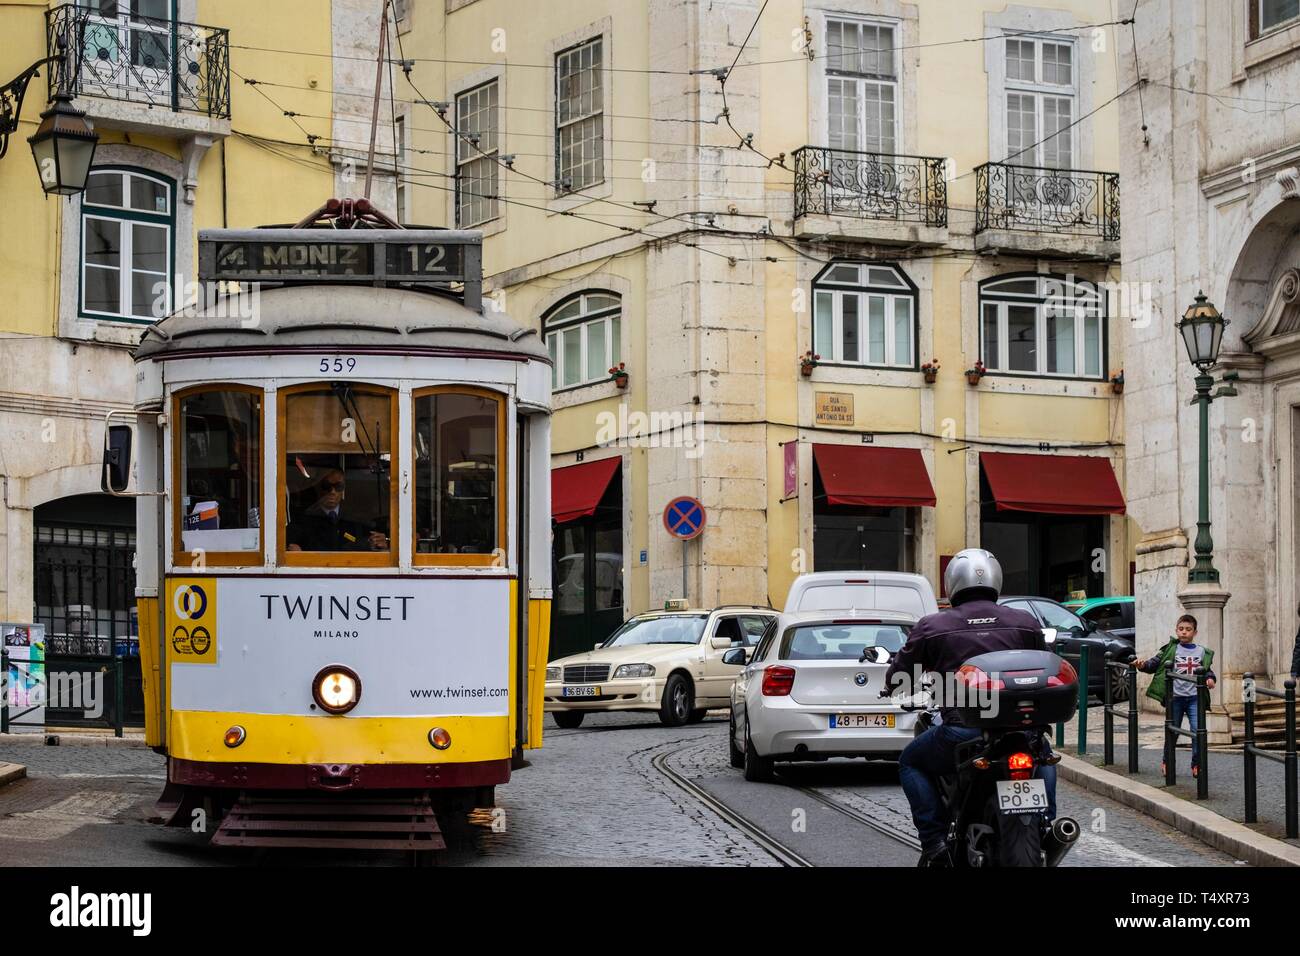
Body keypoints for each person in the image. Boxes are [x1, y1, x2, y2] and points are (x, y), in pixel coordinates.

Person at [884, 548, 1055, 867]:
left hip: (964, 731)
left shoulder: (932, 626)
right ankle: (1049, 827)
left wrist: (891, 685)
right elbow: (1045, 664)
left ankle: (934, 843)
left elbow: (900, 674)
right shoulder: (1025, 621)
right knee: (1041, 753)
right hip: (1021, 729)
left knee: (910, 762)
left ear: (952, 583)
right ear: (996, 580)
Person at [1132, 613, 1215, 777]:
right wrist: (1142, 665)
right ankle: (1167, 761)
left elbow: (1207, 671)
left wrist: (1211, 679)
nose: (1184, 632)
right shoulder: (1171, 649)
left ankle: (1197, 764)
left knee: (1197, 730)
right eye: (1181, 629)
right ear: (1176, 630)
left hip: (1194, 698)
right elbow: (1154, 664)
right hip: (1174, 698)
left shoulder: (1202, 652)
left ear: (1195, 632)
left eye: (1188, 629)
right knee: (1172, 731)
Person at [286, 468, 388, 552]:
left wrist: (377, 543)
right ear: (317, 486)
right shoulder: (303, 518)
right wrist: (297, 553)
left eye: (338, 486)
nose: (333, 492)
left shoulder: (356, 516)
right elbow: (288, 546)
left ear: (344, 487)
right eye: (327, 486)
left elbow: (371, 543)